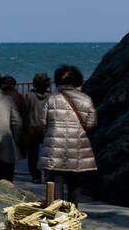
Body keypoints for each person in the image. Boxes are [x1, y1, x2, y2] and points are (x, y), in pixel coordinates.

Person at [37, 64, 98, 203]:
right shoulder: (86, 99)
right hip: (77, 144)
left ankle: (57, 212)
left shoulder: (51, 99)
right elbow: (91, 123)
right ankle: (73, 210)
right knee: (74, 180)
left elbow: (42, 122)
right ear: (78, 80)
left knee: (55, 179)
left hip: (54, 145)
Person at [24, 72, 52, 183]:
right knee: (48, 153)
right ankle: (48, 175)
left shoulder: (28, 96)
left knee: (32, 154)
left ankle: (35, 175)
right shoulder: (51, 97)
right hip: (47, 127)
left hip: (32, 127)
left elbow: (24, 112)